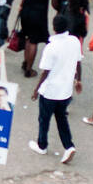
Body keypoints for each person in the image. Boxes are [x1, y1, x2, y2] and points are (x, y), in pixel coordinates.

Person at [29, 14, 83, 164]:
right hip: (65, 90)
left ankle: (42, 145)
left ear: (54, 28)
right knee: (61, 119)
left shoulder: (51, 47)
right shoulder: (74, 42)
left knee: (44, 119)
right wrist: (78, 79)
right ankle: (68, 145)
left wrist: (36, 89)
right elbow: (78, 62)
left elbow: (45, 72)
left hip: (50, 91)